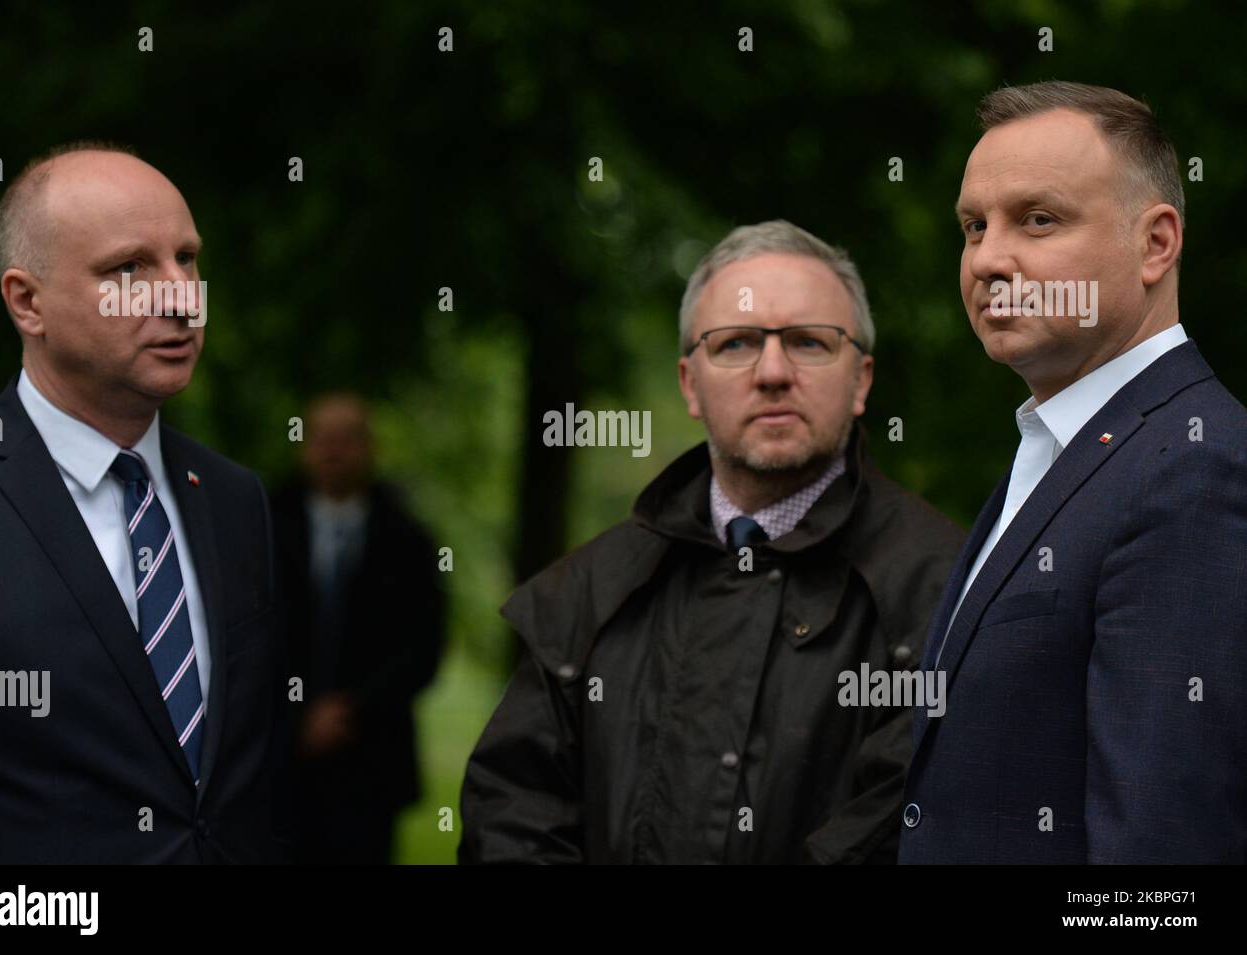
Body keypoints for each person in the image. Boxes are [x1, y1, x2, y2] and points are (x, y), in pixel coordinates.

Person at [460, 220, 964, 863]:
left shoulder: (945, 588)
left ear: (861, 380)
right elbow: (510, 816)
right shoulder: (590, 590)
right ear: (689, 383)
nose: (773, 372)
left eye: (810, 342)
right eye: (736, 344)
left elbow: (910, 832)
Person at [900, 82, 1247, 863]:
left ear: (1156, 243)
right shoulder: (1059, 448)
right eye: (972, 226)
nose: (988, 258)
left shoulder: (1196, 469)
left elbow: (1164, 862)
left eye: (1038, 219)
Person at [0, 142, 289, 863]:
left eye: (187, 258)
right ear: (26, 301)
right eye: (128, 268)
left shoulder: (235, 501)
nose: (180, 294)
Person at [272, 393, 445, 864]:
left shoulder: (408, 538)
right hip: (278, 759)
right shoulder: (261, 528)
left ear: (369, 448)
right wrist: (297, 716)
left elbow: (422, 647)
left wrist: (351, 710)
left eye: (346, 439)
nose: (333, 450)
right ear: (303, 447)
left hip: (371, 761)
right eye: (322, 438)